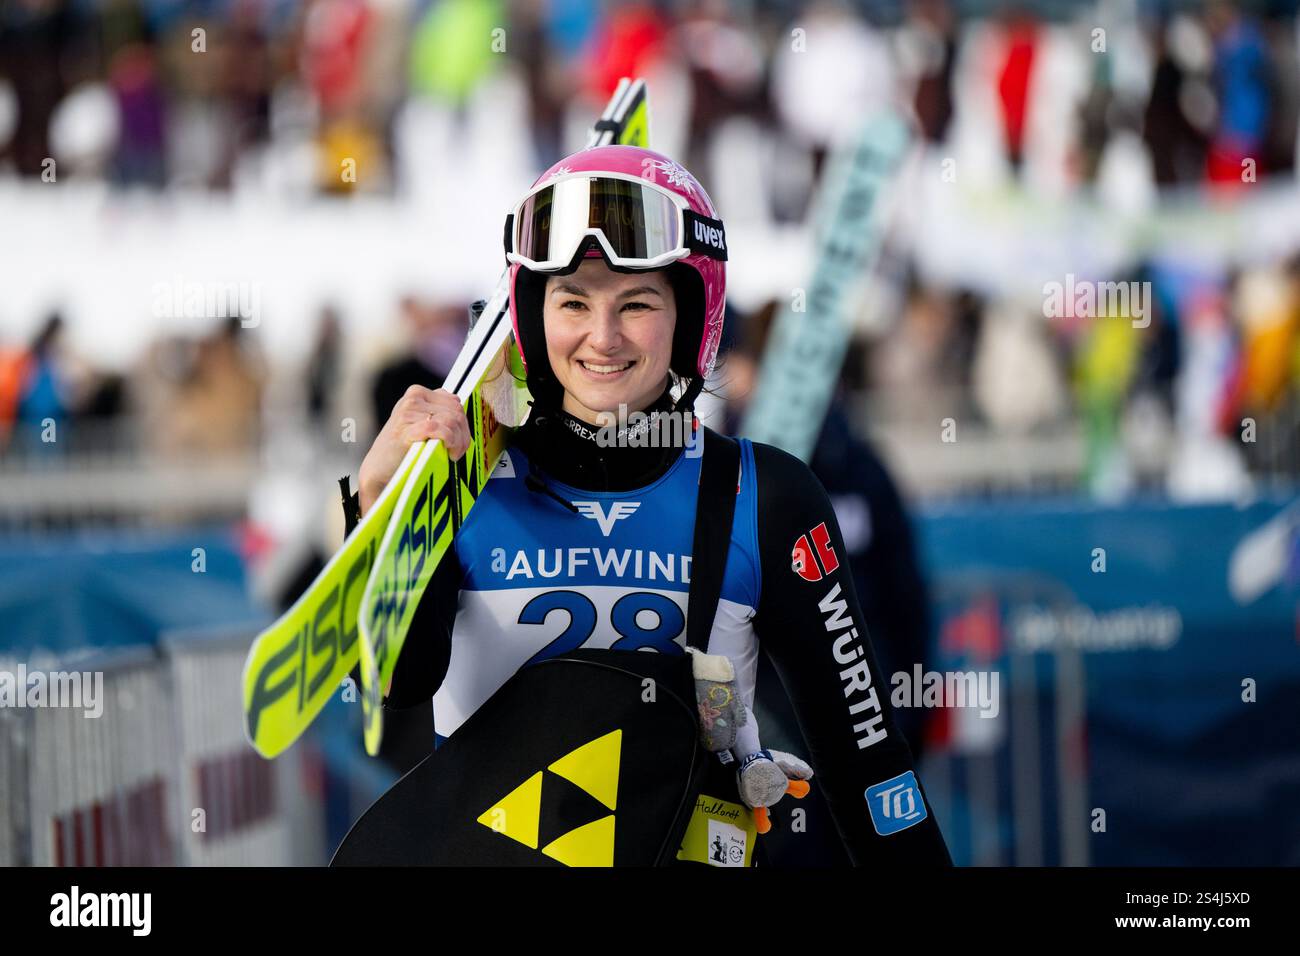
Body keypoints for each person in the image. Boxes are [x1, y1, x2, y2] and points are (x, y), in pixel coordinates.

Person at [346, 144, 951, 866]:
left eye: (636, 303)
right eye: (573, 301)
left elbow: (872, 774)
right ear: (534, 316)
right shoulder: (464, 480)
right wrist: (376, 511)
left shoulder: (764, 499)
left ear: (691, 317)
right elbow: (395, 689)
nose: (602, 338)